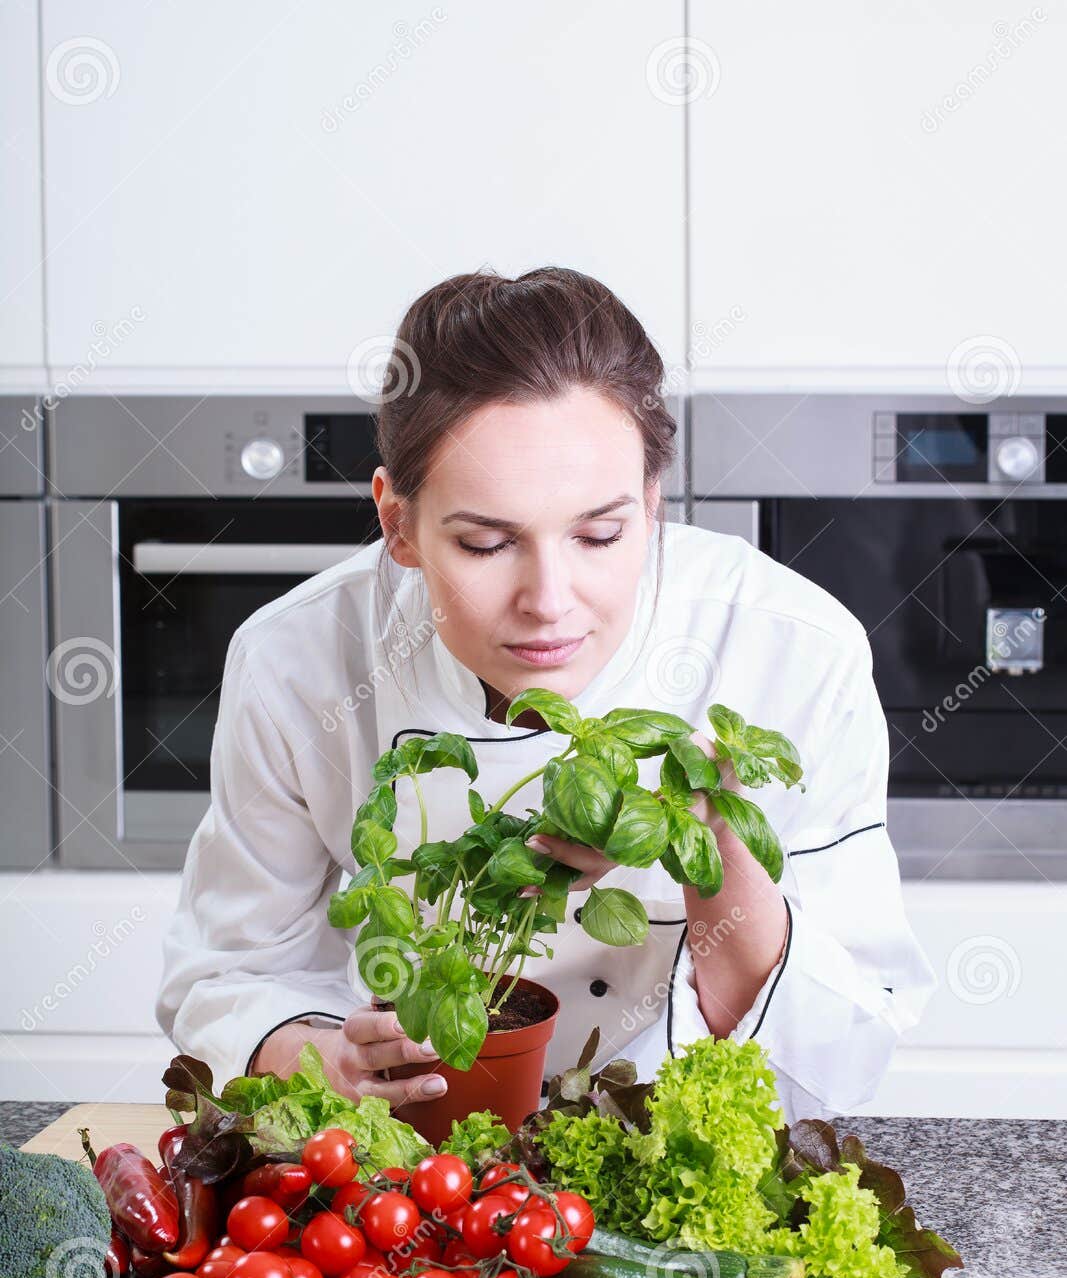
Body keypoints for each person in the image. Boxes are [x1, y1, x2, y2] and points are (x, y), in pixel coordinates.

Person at [156, 267, 935, 1124]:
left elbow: (842, 1042)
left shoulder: (789, 650)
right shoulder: (297, 661)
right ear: (399, 526)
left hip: (662, 1146)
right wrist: (325, 1057)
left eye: (600, 534)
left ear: (651, 502)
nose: (549, 601)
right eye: (487, 544)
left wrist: (707, 833)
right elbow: (228, 972)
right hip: (425, 1144)